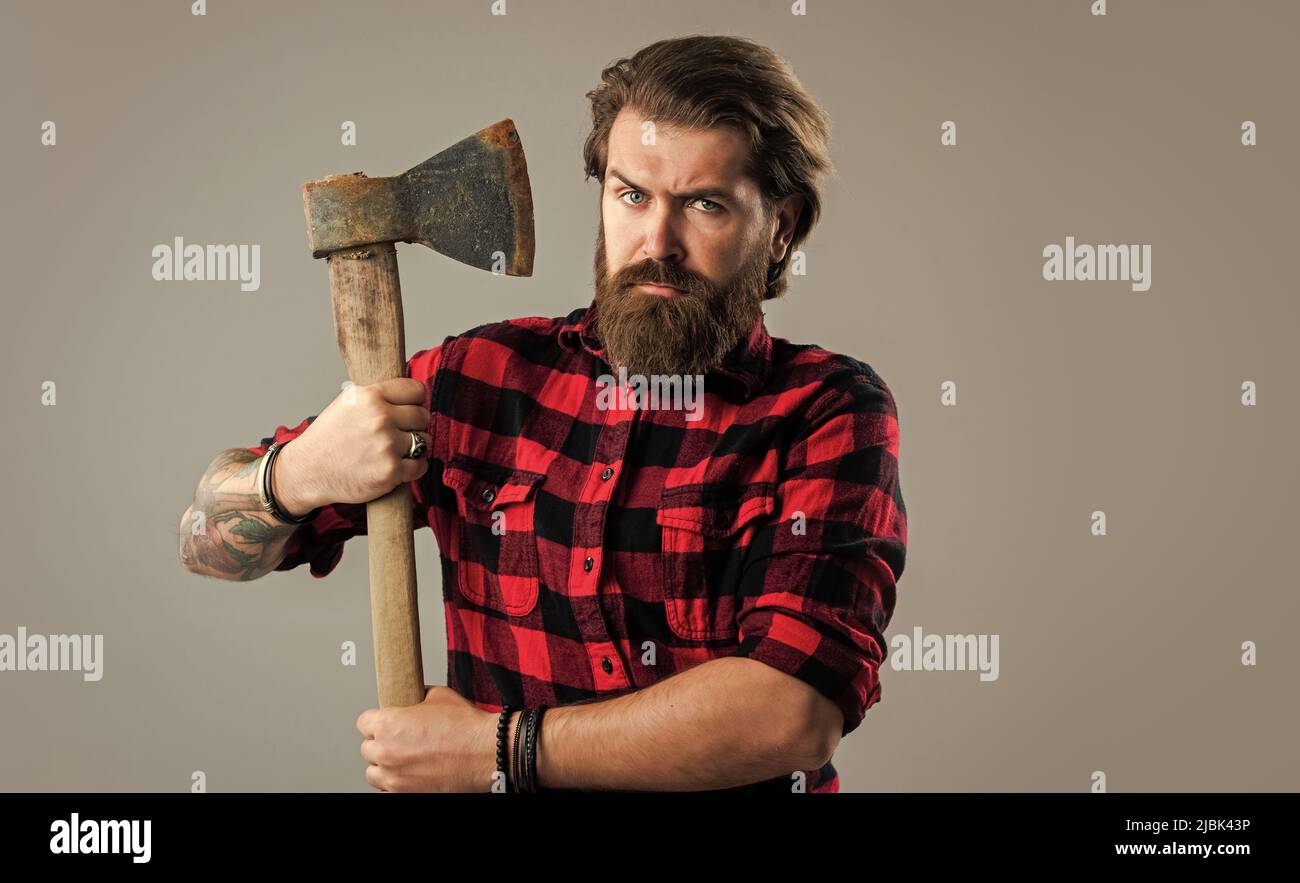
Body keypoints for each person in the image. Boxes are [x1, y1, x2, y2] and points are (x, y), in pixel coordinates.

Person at [178, 34, 907, 794]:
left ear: (781, 226)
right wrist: (294, 474)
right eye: (632, 195)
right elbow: (204, 542)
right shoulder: (481, 381)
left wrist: (495, 751)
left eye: (703, 204)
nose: (657, 243)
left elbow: (791, 713)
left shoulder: (826, 410)